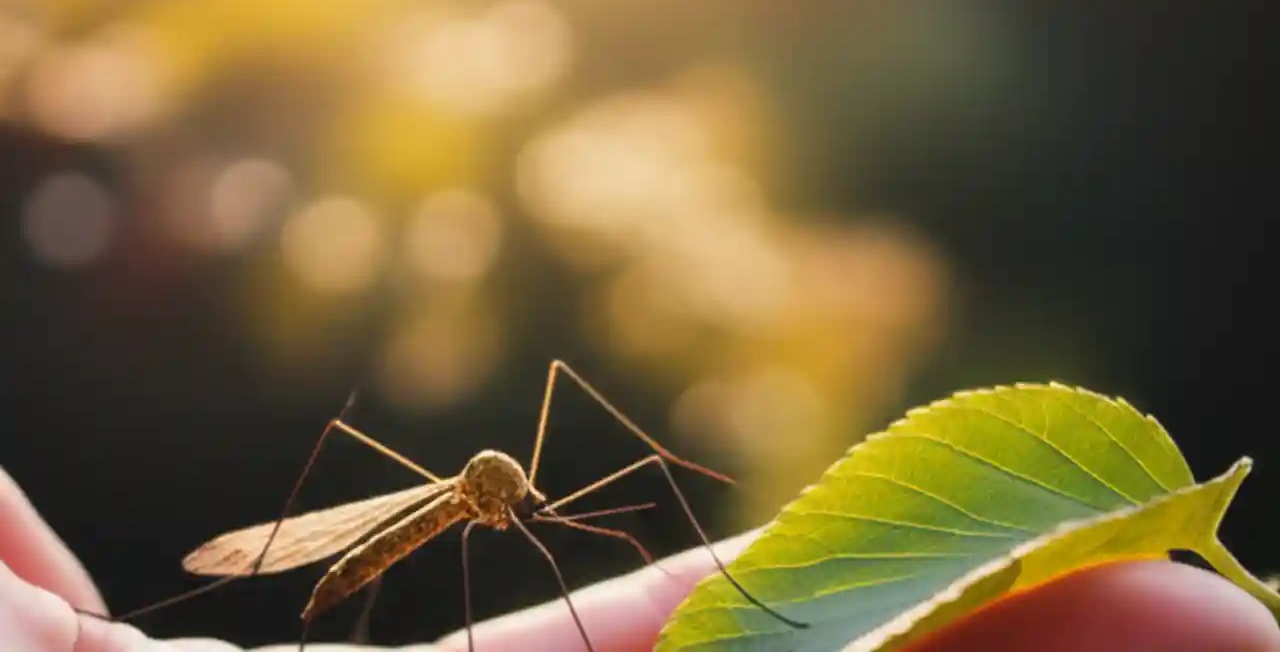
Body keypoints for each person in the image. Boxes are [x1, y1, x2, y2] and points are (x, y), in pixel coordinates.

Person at [2, 468, 1276, 651]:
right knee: (414, 567)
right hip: (348, 552)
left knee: (612, 535)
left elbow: (592, 526)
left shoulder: (525, 496)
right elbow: (459, 537)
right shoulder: (467, 505)